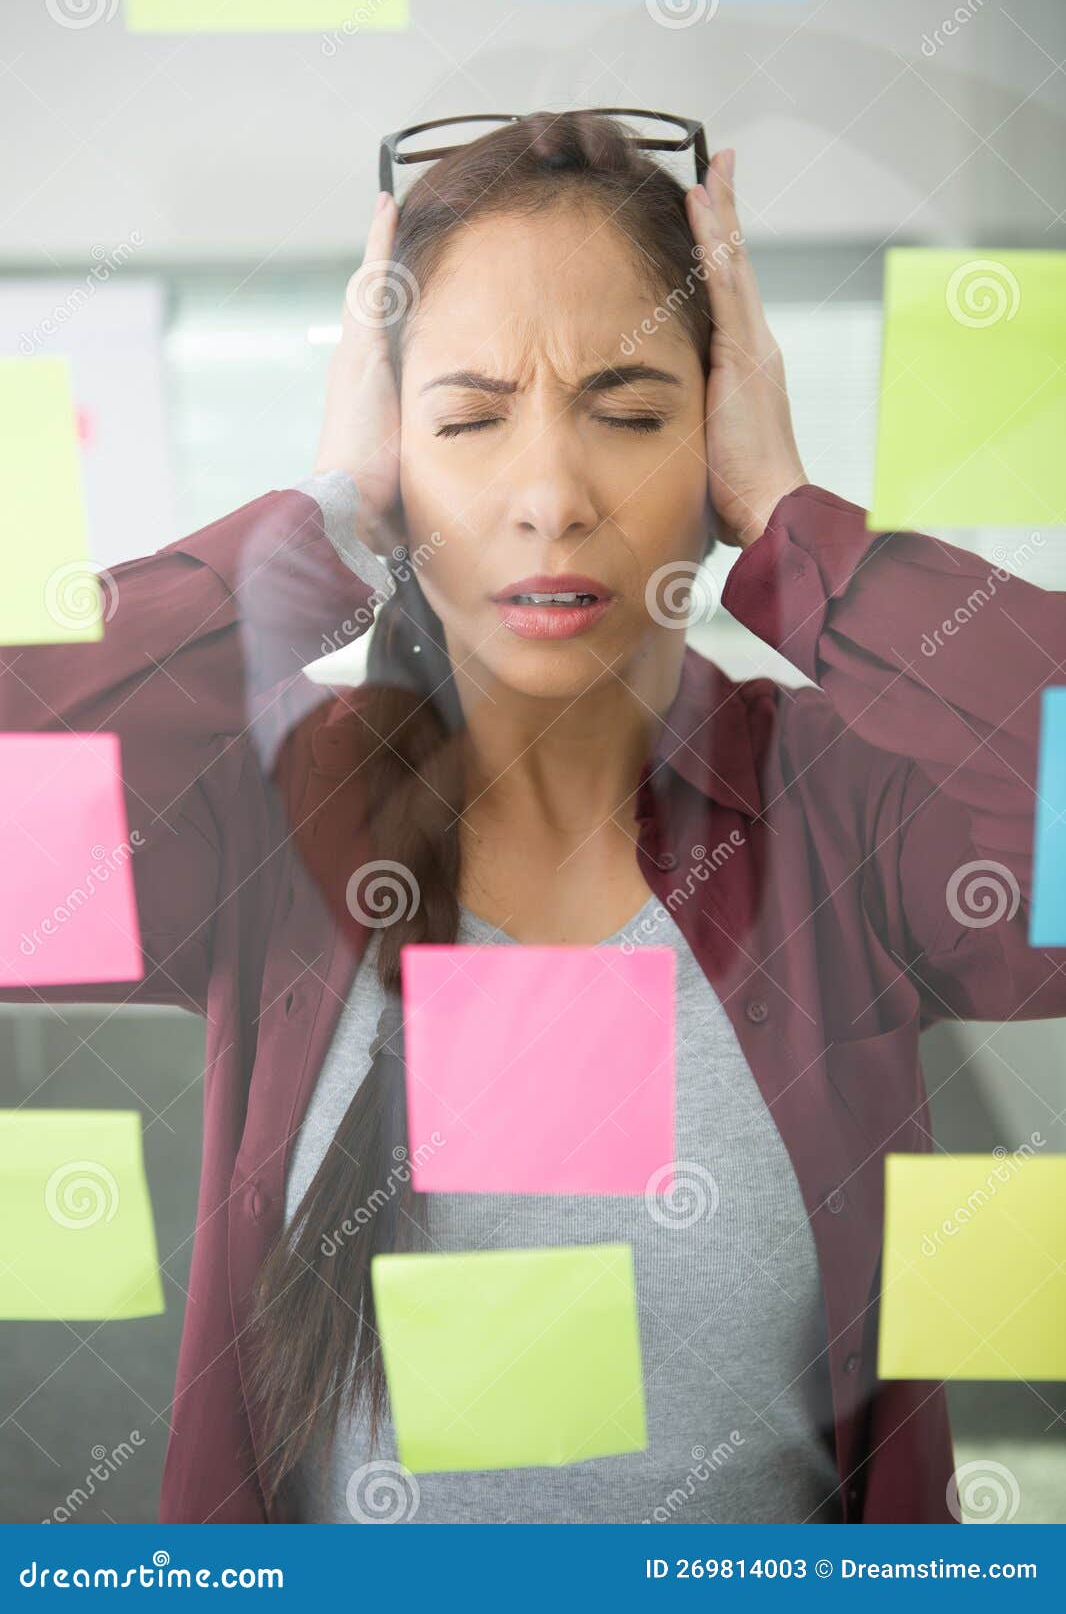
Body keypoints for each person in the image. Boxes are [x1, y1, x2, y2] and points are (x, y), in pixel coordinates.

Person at [2, 111, 1062, 1525]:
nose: (551, 496)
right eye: (465, 419)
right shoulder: (271, 823)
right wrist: (313, 533)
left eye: (630, 412)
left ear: (714, 444)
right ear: (391, 452)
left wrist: (799, 526)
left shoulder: (840, 817)